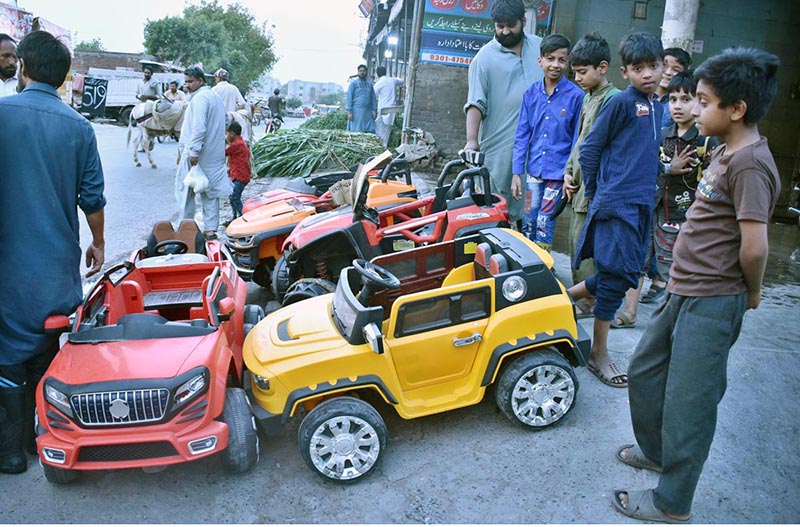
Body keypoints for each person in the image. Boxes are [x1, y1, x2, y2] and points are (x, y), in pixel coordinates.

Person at [614, 47, 781, 524]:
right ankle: (658, 452)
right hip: (682, 290)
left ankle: (672, 501)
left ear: (736, 109)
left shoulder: (750, 165)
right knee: (646, 370)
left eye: (704, 101)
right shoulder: (726, 150)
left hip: (713, 298)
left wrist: (752, 291)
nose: (693, 108)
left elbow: (755, 247)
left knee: (691, 401)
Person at [0, 30, 106, 475]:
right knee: (45, 347)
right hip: (56, 269)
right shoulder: (79, 127)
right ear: (62, 78)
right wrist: (97, 244)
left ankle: (9, 451)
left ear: (22, 66)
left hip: (8, 268)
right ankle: (36, 438)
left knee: (7, 355)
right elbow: (93, 200)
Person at [567, 32, 664, 388]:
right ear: (625, 72)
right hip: (615, 204)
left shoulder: (658, 107)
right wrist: (596, 193)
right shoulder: (621, 103)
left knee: (627, 275)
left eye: (653, 66)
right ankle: (599, 354)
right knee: (613, 280)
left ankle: (566, 298)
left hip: (641, 205)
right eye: (639, 69)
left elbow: (641, 153)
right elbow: (590, 150)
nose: (648, 74)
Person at [610, 70, 719, 328]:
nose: (678, 106)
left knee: (674, 268)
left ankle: (672, 321)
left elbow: (713, 180)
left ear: (699, 102)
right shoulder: (660, 133)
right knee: (637, 260)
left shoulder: (705, 140)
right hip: (649, 206)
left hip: (681, 215)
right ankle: (629, 312)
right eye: (672, 99)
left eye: (686, 99)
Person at [464, 0, 543, 229]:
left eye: (511, 25)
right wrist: (471, 141)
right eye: (499, 26)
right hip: (500, 148)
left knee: (534, 209)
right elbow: (475, 103)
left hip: (538, 146)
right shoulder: (484, 59)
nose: (505, 31)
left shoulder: (540, 49)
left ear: (523, 22)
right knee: (499, 207)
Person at [561, 32, 620, 316]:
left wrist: (590, 183)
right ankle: (583, 296)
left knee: (588, 246)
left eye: (583, 72)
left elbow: (602, 148)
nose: (577, 78)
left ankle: (589, 300)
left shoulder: (614, 100)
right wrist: (568, 173)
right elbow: (579, 141)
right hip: (580, 185)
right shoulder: (588, 98)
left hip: (597, 188)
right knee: (576, 241)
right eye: (575, 72)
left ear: (603, 67)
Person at [512, 33, 583, 251]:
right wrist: (517, 173)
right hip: (533, 171)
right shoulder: (531, 94)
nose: (555, 65)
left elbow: (576, 140)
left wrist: (570, 172)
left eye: (561, 60)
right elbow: (522, 135)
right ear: (540, 60)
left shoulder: (576, 96)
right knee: (529, 217)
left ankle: (544, 265)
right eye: (550, 59)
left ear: (567, 62)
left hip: (558, 173)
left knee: (545, 220)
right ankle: (526, 260)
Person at [175, 65, 231, 240]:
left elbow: (199, 127)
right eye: (185, 82)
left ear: (200, 80)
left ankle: (186, 228)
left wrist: (193, 151)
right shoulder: (215, 97)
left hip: (199, 155)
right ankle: (210, 230)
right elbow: (227, 120)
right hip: (215, 154)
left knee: (186, 191)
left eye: (190, 82)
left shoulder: (200, 98)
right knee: (210, 193)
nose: (187, 85)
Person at [655, 47, 691, 127]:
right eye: (664, 67)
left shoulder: (678, 105)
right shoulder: (642, 96)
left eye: (676, 70)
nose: (668, 73)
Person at [225, 120, 251, 219]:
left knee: (234, 197)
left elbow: (224, 153)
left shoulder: (236, 145)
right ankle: (235, 217)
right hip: (240, 175)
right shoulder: (241, 142)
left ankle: (242, 218)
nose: (226, 137)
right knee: (233, 197)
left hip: (240, 176)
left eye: (227, 134)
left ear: (231, 134)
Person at [373, 66, 403, 147]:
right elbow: (401, 81)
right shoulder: (392, 80)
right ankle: (383, 147)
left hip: (382, 109)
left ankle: (380, 147)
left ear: (377, 74)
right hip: (392, 109)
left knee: (379, 129)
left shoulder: (379, 83)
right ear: (386, 72)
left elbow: (372, 95)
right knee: (387, 130)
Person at [346, 64, 377, 133]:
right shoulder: (353, 84)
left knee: (368, 131)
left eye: (363, 71)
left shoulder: (369, 85)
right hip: (356, 112)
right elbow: (349, 98)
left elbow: (373, 98)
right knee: (356, 131)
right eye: (360, 71)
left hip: (367, 112)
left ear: (366, 72)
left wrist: (375, 110)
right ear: (358, 72)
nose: (362, 72)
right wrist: (350, 112)